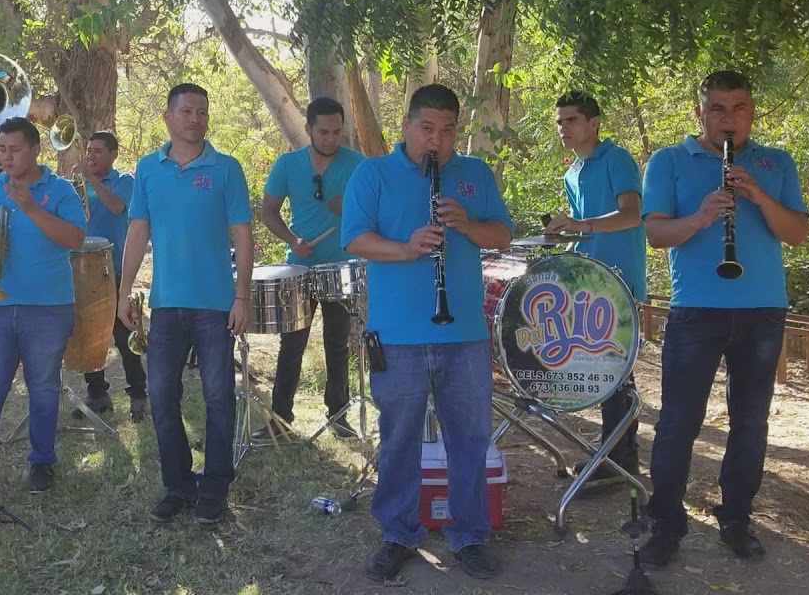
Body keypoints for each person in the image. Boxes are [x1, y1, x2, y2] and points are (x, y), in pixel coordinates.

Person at [638, 70, 809, 568]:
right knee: (678, 422)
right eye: (717, 109)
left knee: (751, 422)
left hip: (762, 310)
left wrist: (759, 196)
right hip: (697, 311)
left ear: (752, 110)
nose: (729, 119)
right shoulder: (668, 161)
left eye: (739, 108)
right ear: (700, 113)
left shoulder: (775, 162)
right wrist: (699, 218)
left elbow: (796, 233)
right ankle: (665, 524)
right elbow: (656, 234)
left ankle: (736, 517)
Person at [342, 84, 512, 582]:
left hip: (463, 333)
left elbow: (500, 234)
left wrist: (466, 224)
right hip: (396, 334)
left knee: (470, 436)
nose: (437, 140)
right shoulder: (372, 173)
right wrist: (408, 246)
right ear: (407, 125)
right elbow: (355, 238)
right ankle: (398, 532)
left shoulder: (474, 174)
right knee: (398, 438)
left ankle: (470, 534)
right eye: (427, 129)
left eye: (447, 130)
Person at [117, 83, 253, 527]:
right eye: (187, 111)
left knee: (218, 397)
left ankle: (214, 487)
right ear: (168, 117)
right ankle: (178, 485)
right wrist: (124, 292)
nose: (196, 119)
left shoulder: (226, 169)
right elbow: (137, 232)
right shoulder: (148, 169)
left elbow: (243, 235)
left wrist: (242, 296)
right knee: (160, 395)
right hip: (166, 304)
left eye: (202, 112)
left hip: (215, 306)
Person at [0, 117, 87, 499]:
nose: (4, 157)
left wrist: (32, 209)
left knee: (42, 388)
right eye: (1, 149)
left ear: (36, 149)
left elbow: (75, 239)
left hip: (49, 306)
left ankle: (41, 462)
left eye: (14, 150)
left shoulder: (60, 190)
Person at [543, 91, 646, 479]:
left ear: (594, 123)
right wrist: (560, 235)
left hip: (619, 279)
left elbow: (632, 215)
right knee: (604, 372)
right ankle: (617, 453)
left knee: (617, 372)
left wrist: (581, 225)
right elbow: (582, 228)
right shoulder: (572, 172)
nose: (563, 128)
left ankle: (620, 457)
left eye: (570, 120)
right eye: (559, 122)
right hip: (589, 284)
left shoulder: (616, 158)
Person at [257, 96, 366, 441]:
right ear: (308, 129)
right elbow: (268, 212)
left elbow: (374, 210)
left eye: (337, 132)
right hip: (300, 267)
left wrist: (351, 215)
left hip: (341, 267)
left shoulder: (357, 164)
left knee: (337, 343)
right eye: (324, 132)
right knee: (292, 345)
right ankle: (280, 421)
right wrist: (292, 239)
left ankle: (339, 415)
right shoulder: (288, 164)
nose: (331, 138)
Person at [71, 130, 148, 422]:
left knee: (123, 333)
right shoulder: (78, 185)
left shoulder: (125, 182)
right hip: (81, 268)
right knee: (89, 335)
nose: (90, 156)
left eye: (98, 151)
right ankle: (97, 393)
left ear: (114, 155)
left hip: (114, 269)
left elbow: (117, 207)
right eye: (89, 150)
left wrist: (91, 179)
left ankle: (138, 393)